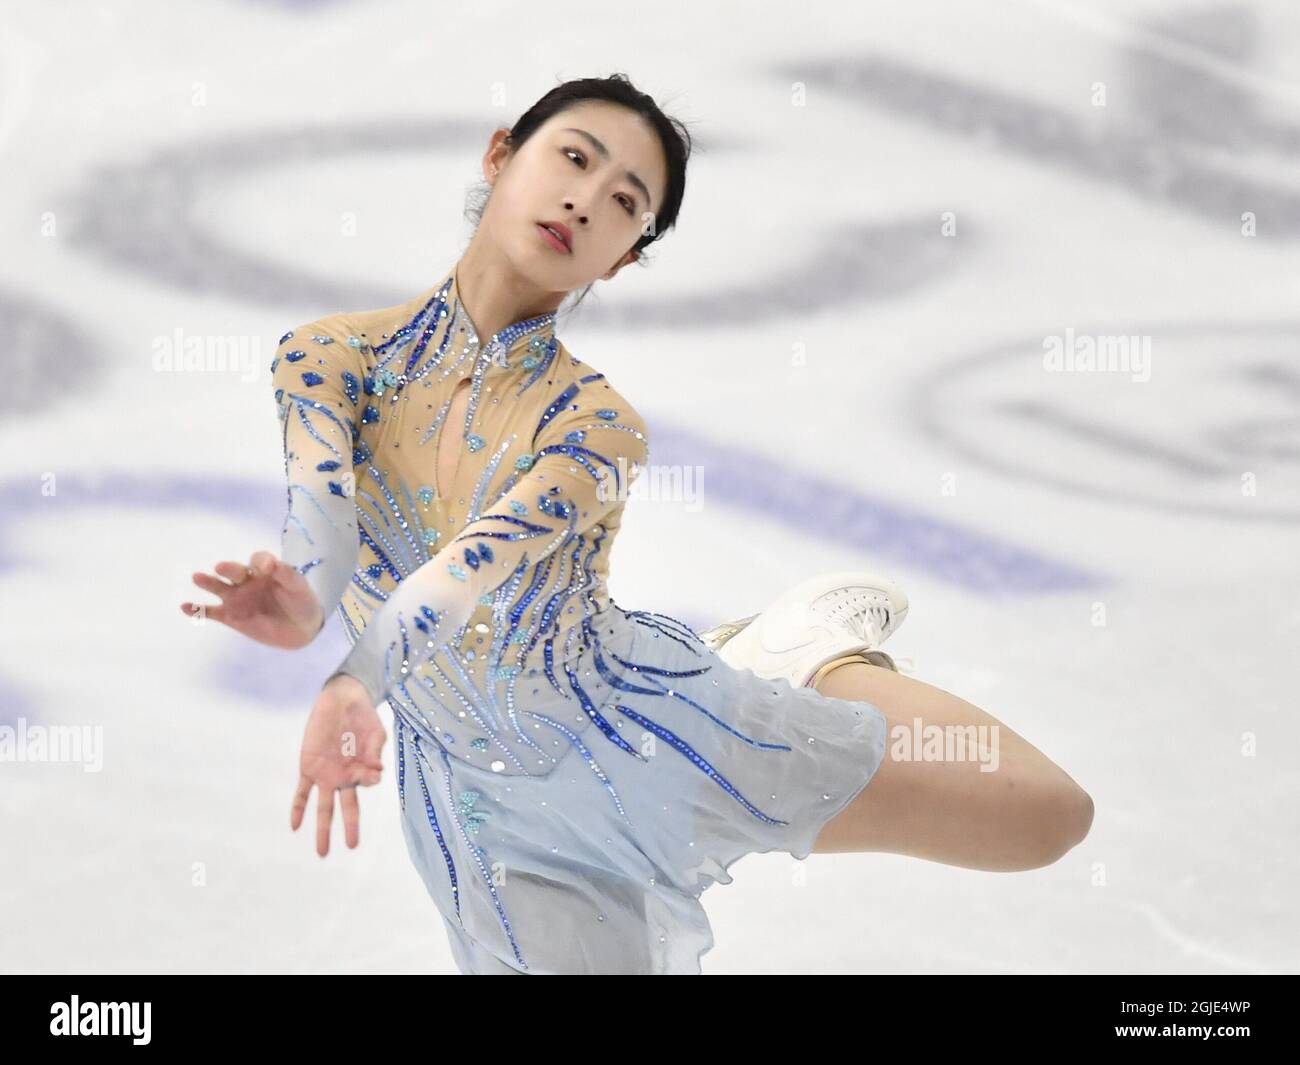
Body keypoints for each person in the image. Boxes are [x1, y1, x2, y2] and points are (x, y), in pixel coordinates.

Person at [181, 74, 1093, 974]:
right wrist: (298, 603)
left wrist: (352, 681)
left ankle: (791, 658)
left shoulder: (594, 425)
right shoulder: (326, 357)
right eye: (571, 157)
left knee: (1042, 815)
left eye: (624, 201)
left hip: (658, 730)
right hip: (494, 824)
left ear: (623, 256)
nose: (583, 199)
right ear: (501, 156)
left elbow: (459, 576)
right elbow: (324, 533)